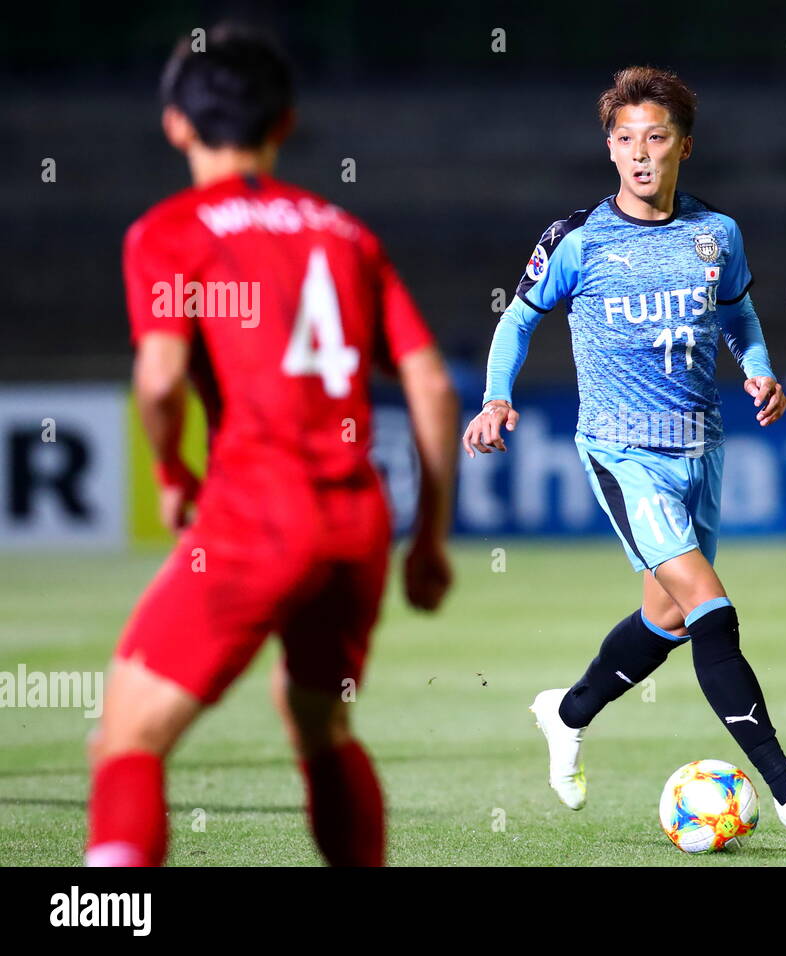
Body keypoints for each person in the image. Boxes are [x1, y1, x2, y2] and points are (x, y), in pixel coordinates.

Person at [86, 24, 459, 867]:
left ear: (176, 124)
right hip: (355, 521)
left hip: (257, 513)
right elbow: (432, 387)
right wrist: (429, 539)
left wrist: (171, 471)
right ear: (284, 124)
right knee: (321, 725)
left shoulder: (171, 231)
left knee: (127, 738)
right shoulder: (345, 232)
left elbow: (156, 379)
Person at [462, 66, 786, 834]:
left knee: (668, 620)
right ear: (609, 149)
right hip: (621, 451)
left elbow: (739, 314)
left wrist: (760, 369)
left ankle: (566, 711)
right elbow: (517, 320)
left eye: (656, 137)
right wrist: (497, 396)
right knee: (712, 610)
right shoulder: (577, 239)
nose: (640, 154)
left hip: (700, 447)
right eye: (624, 139)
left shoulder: (718, 234)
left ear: (685, 146)